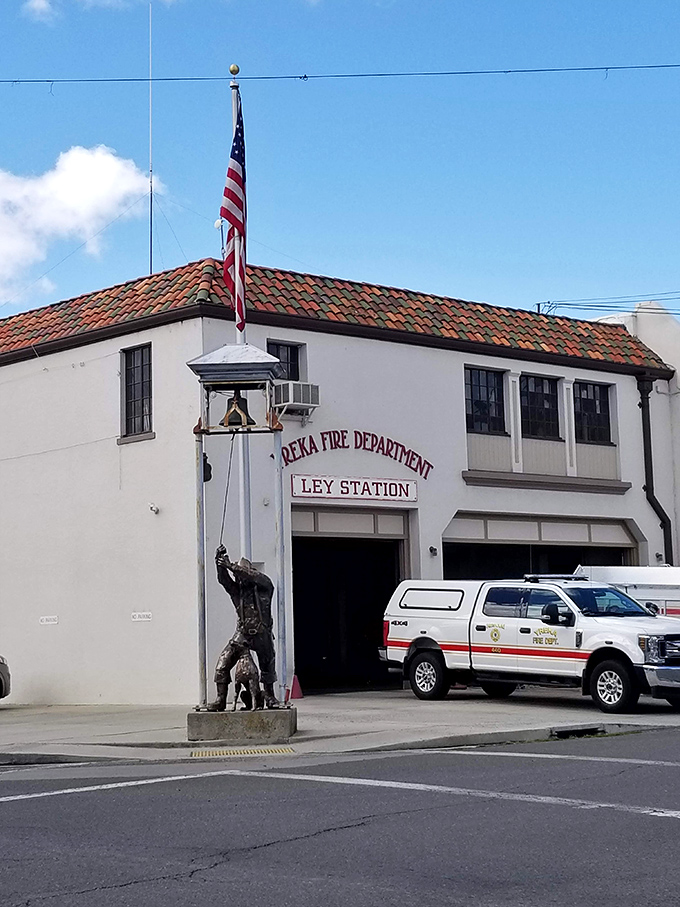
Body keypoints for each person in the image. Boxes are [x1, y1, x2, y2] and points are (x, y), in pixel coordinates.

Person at [207, 546, 280, 710]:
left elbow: (255, 577)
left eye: (240, 573)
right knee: (222, 665)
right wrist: (219, 562)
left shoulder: (264, 586)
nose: (237, 577)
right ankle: (220, 699)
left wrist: (232, 566)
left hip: (262, 634)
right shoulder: (237, 591)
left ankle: (269, 697)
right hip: (243, 635)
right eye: (236, 575)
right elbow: (223, 580)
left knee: (267, 666)